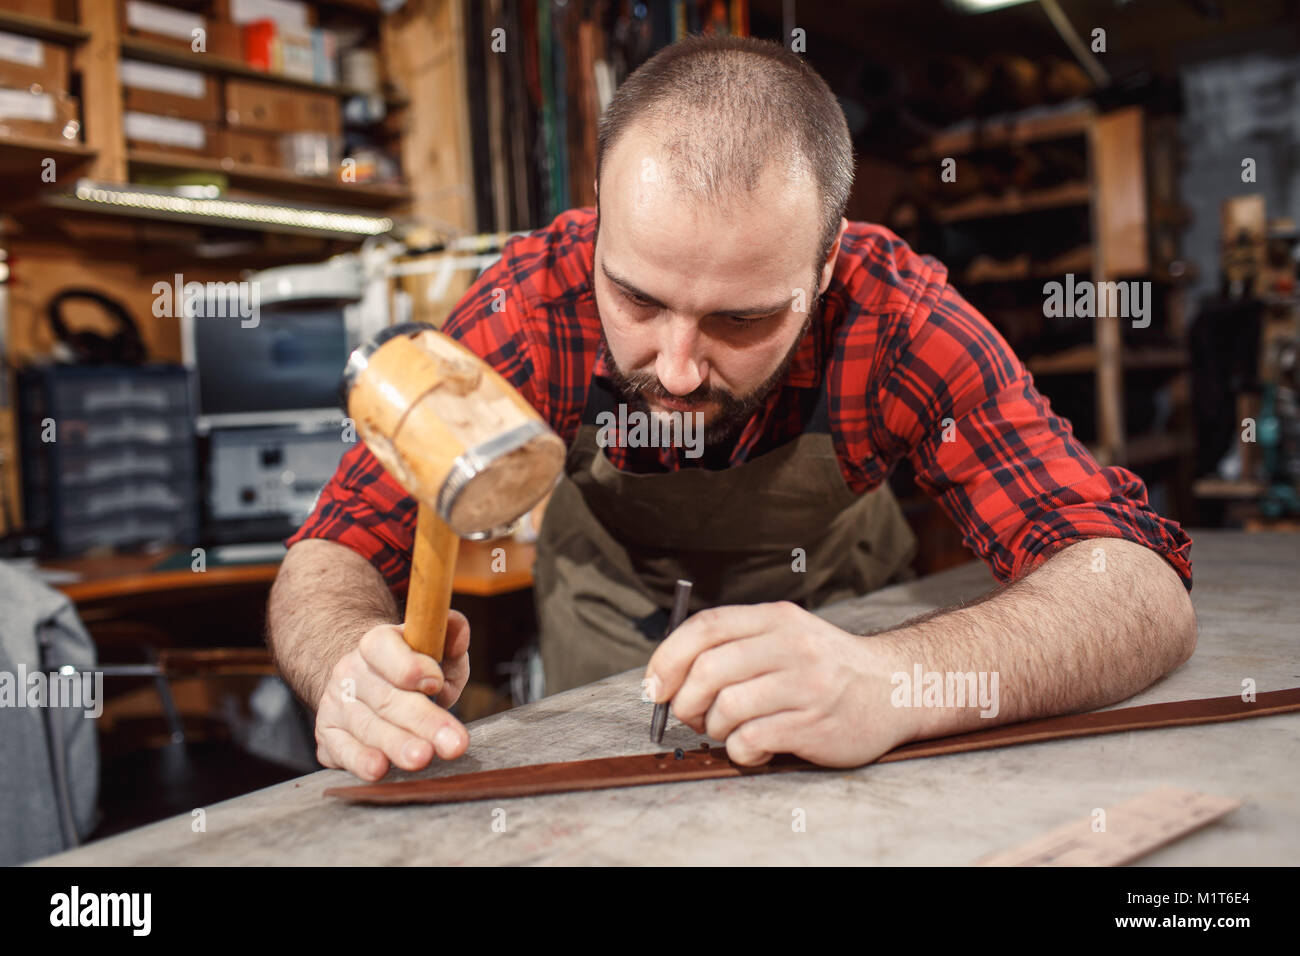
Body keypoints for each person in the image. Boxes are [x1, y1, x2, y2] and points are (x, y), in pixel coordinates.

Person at [268, 35, 1193, 782]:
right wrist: (350, 665)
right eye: (636, 301)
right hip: (610, 635)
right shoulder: (531, 304)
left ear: (826, 266)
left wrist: (896, 682)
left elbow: (1136, 587)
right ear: (599, 215)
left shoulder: (898, 318)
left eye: (740, 319)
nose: (673, 371)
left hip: (846, 639)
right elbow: (333, 549)